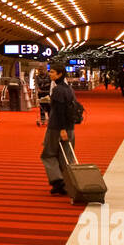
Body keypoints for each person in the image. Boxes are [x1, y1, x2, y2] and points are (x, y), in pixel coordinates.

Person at [44, 64, 80, 195]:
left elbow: (59, 111)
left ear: (59, 74)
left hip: (56, 127)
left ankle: (57, 181)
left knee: (48, 154)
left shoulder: (58, 90)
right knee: (66, 156)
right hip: (70, 127)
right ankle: (69, 182)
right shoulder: (69, 89)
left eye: (52, 72)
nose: (50, 74)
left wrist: (62, 129)